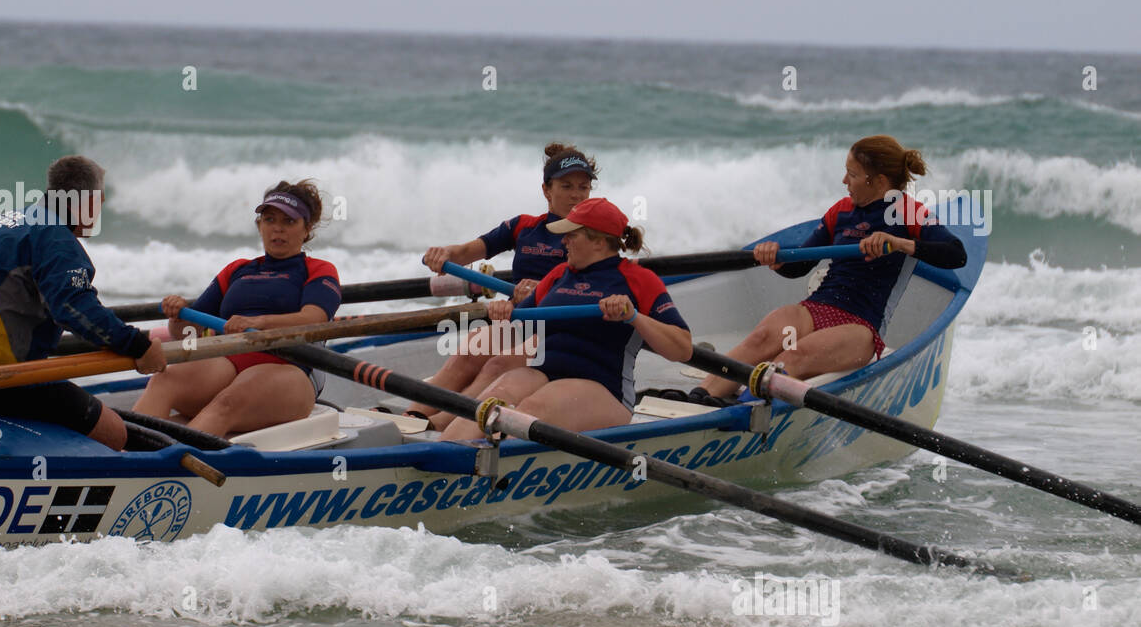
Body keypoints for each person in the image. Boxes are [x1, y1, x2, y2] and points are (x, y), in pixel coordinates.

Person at [0, 155, 167, 451]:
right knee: (115, 434)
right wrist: (139, 346)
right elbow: (75, 310)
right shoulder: (56, 240)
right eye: (100, 201)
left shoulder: (4, 223)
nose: (99, 212)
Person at [695, 136, 967, 400]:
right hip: (816, 308)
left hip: (861, 326)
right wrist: (776, 258)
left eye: (853, 174)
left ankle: (745, 411)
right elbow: (800, 265)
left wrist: (900, 243)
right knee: (763, 338)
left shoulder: (910, 212)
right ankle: (699, 399)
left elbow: (956, 254)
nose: (844, 181)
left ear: (880, 181)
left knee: (793, 357)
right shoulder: (842, 210)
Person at [440, 198, 692, 440]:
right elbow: (521, 325)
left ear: (599, 242)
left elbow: (682, 348)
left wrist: (633, 317)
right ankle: (443, 457)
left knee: (531, 409)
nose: (564, 241)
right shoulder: (559, 274)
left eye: (572, 234)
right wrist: (505, 312)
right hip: (543, 372)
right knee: (490, 404)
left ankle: (484, 466)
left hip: (603, 387)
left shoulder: (639, 280)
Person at [408, 143, 598, 428]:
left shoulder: (594, 237)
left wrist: (545, 289)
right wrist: (444, 253)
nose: (576, 195)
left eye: (583, 188)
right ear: (546, 190)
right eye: (567, 186)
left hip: (560, 330)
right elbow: (466, 251)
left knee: (497, 365)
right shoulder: (523, 227)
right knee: (469, 351)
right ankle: (411, 416)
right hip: (521, 320)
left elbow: (593, 286)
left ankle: (438, 425)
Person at [133, 181, 341, 438]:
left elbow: (314, 319)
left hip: (291, 368)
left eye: (289, 222)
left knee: (228, 402)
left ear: (307, 229)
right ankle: (124, 458)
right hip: (229, 363)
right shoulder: (237, 270)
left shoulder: (319, 270)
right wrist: (178, 314)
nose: (277, 228)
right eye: (269, 219)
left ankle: (167, 470)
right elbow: (186, 333)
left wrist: (258, 323)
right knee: (165, 378)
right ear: (259, 225)